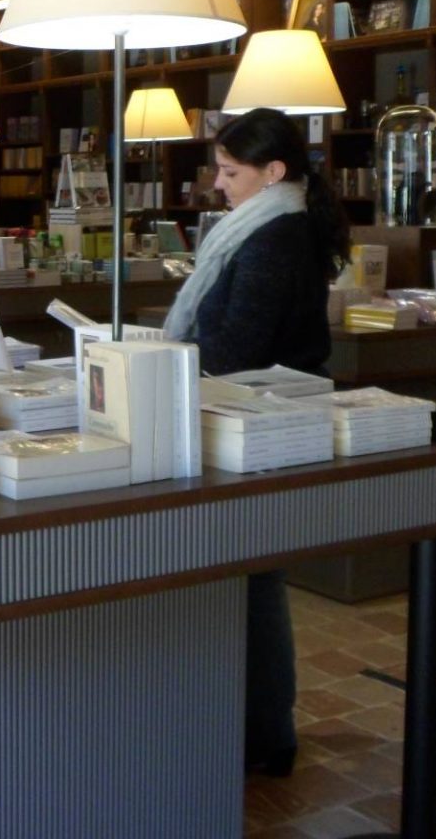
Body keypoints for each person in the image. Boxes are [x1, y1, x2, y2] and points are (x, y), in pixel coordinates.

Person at [162, 107, 350, 778]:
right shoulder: (272, 224)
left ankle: (265, 738)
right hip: (249, 412)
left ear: (273, 172)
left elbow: (240, 345)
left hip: (260, 419)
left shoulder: (275, 236)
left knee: (255, 581)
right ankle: (258, 732)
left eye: (231, 170)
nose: (218, 184)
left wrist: (172, 356)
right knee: (251, 578)